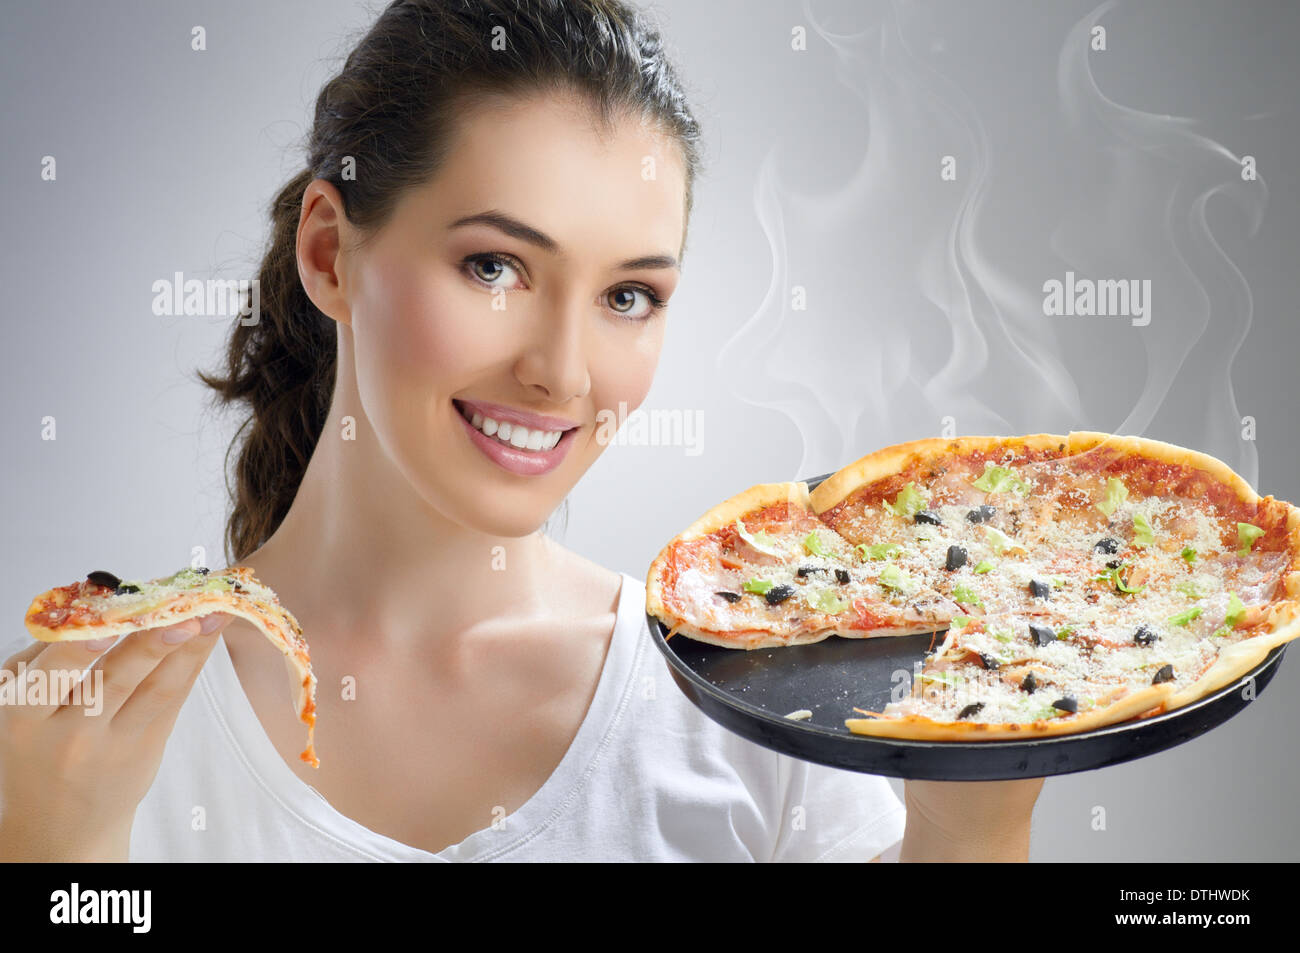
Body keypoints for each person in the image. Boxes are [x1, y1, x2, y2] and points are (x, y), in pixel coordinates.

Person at [0, 0, 1041, 863]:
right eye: (494, 267)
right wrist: (52, 853)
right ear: (331, 253)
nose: (564, 371)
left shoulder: (752, 711)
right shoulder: (77, 735)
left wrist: (973, 818)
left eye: (628, 296)